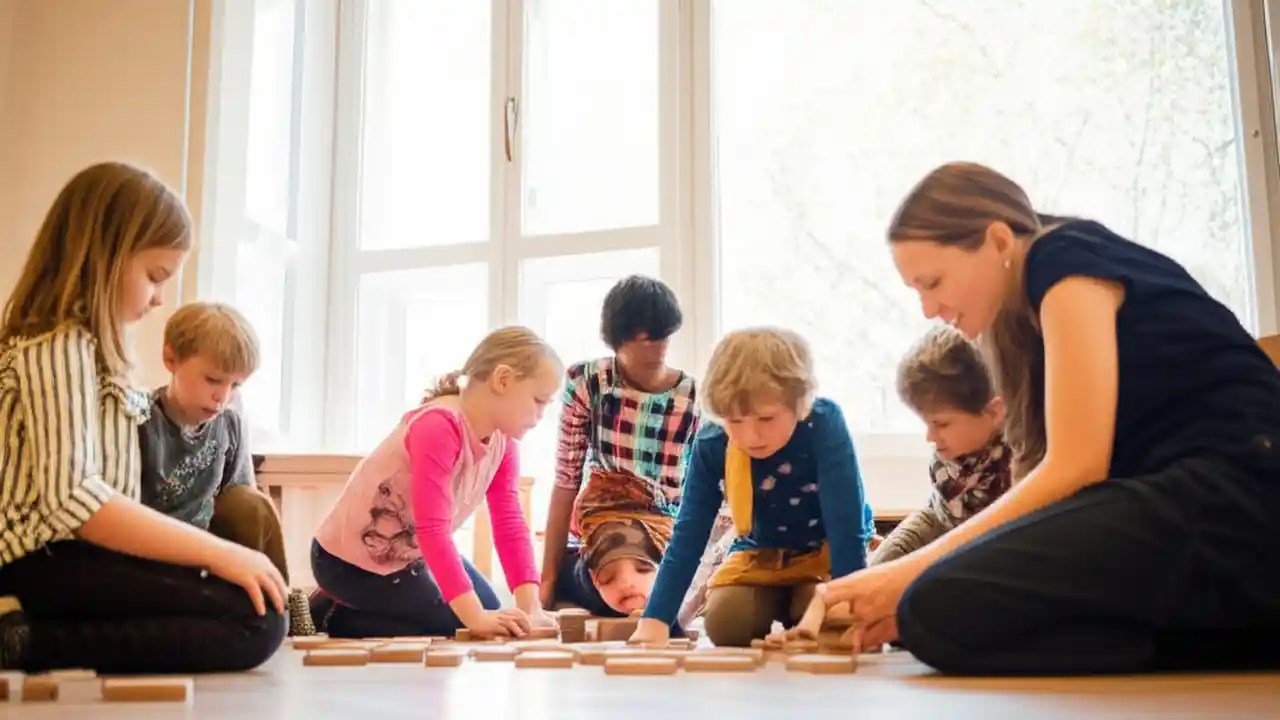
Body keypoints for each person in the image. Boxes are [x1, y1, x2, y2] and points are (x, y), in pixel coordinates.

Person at [821, 161, 1280, 674]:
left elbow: (1075, 468)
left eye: (934, 282)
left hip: (1243, 489)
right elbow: (1044, 483)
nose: (929, 308)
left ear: (998, 241)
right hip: (1176, 498)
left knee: (931, 608)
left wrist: (904, 574)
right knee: (933, 614)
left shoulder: (1063, 260)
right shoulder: (1019, 321)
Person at [0, 162, 286, 673]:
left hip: (77, 558)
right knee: (253, 619)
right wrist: (216, 553)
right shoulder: (57, 346)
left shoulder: (97, 353)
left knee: (260, 611)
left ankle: (33, 634)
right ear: (105, 257)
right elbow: (76, 501)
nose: (159, 298)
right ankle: (27, 643)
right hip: (36, 561)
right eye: (155, 277)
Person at [312, 326, 560, 639]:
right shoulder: (437, 426)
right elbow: (433, 530)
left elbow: (509, 521)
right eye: (539, 400)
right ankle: (329, 613)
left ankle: (362, 607)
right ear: (503, 380)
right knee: (459, 621)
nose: (541, 415)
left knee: (490, 607)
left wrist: (530, 607)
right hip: (346, 564)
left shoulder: (503, 440)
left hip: (408, 557)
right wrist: (474, 618)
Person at [630, 327, 873, 647]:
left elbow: (846, 522)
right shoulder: (713, 442)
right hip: (761, 551)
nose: (750, 437)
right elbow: (689, 535)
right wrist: (656, 619)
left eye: (766, 419)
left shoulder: (823, 424)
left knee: (827, 617)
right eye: (735, 421)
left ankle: (800, 604)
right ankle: (786, 604)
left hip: (825, 551)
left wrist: (844, 595)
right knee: (726, 623)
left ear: (799, 404)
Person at [540, 275, 708, 619]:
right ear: (616, 341)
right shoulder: (589, 382)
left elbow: (702, 493)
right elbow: (566, 480)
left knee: (671, 574)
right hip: (605, 516)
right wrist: (546, 581)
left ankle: (618, 591)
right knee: (622, 563)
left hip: (663, 525)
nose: (657, 349)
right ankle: (589, 581)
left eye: (663, 338)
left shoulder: (691, 398)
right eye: (643, 340)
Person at [871, 326, 1011, 565]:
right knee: (881, 566)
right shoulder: (954, 454)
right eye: (926, 423)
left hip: (995, 541)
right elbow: (939, 513)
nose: (930, 437)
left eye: (942, 424)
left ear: (993, 413)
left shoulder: (1018, 464)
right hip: (940, 515)